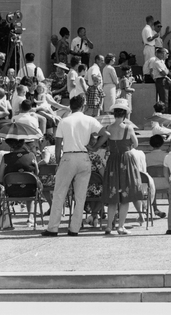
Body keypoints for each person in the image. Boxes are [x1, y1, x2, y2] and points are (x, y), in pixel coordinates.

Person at [41, 95, 103, 236]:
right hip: (84, 156)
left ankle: (53, 228)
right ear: (83, 105)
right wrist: (95, 147)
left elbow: (58, 145)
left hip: (68, 156)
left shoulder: (64, 121)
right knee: (80, 196)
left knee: (59, 194)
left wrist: (58, 162)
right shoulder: (90, 120)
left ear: (71, 105)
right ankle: (74, 228)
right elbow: (105, 133)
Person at [92, 99, 142, 235]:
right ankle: (121, 226)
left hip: (113, 161)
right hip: (125, 160)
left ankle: (109, 226)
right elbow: (135, 144)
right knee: (125, 194)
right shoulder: (128, 128)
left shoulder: (108, 128)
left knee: (113, 193)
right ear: (125, 114)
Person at [145, 134, 169, 218]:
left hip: (150, 183)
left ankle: (155, 208)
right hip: (165, 182)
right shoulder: (166, 155)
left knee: (152, 184)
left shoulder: (146, 156)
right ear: (162, 143)